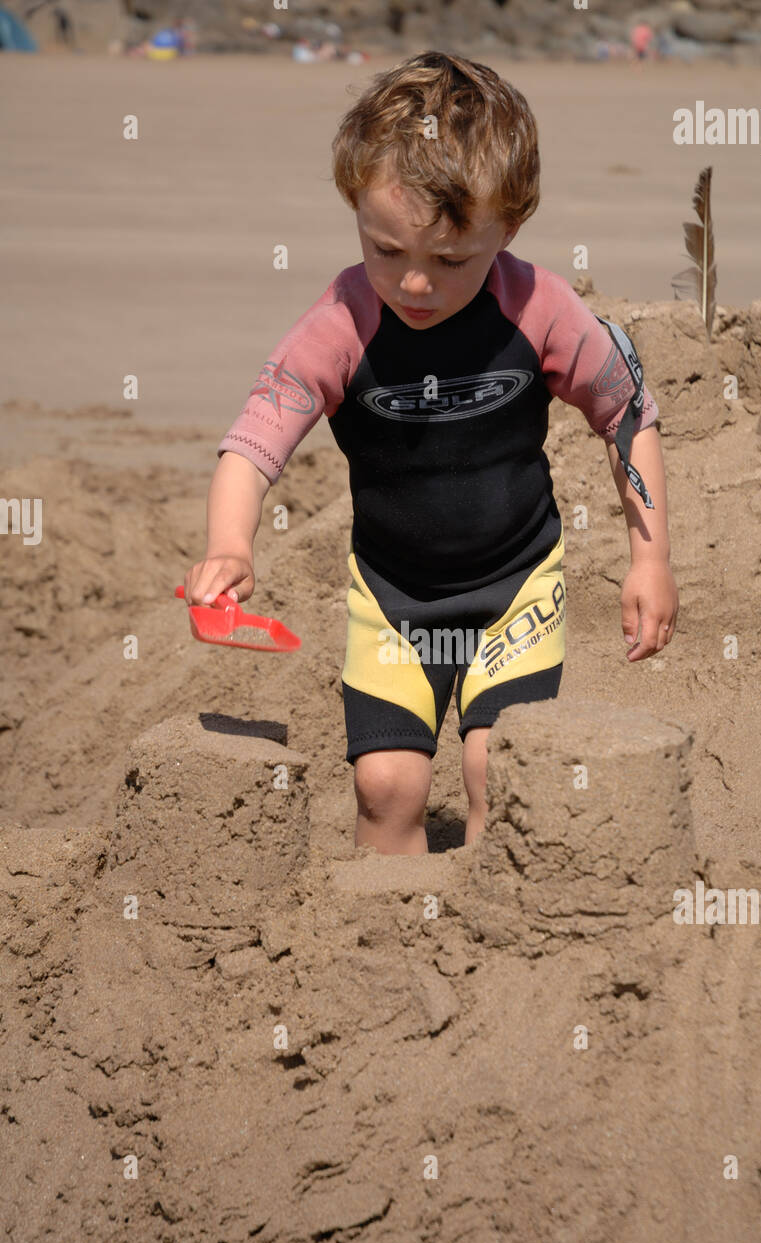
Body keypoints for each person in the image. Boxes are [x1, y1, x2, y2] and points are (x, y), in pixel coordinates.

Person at [183, 52, 678, 855]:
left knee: (497, 768)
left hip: (516, 586)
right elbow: (254, 441)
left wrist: (649, 560)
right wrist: (230, 544)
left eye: (450, 260)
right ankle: (386, 943)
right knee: (385, 786)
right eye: (386, 251)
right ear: (354, 210)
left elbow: (625, 415)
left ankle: (488, 946)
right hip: (391, 594)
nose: (414, 285)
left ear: (509, 227)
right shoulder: (341, 322)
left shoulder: (540, 308)